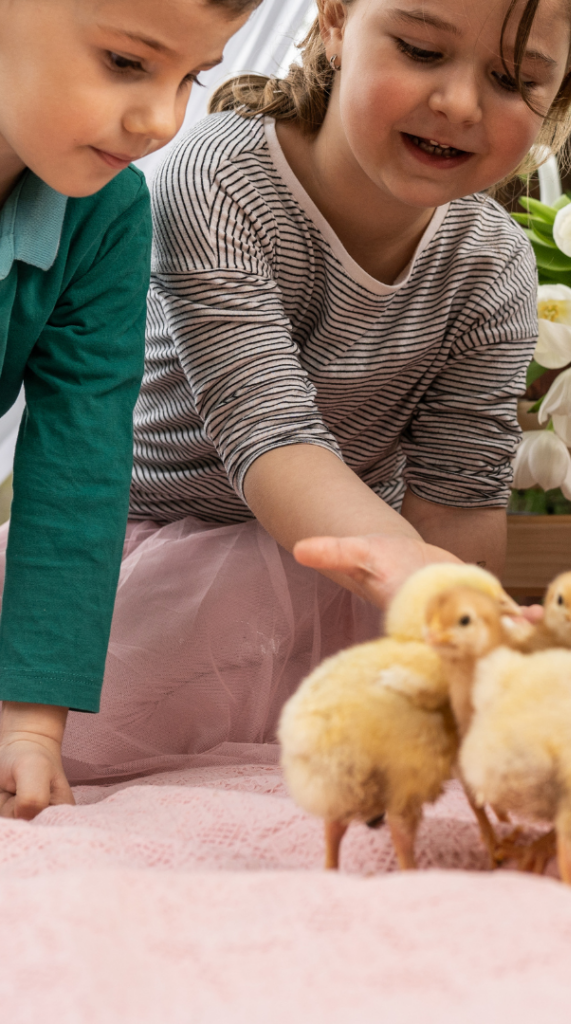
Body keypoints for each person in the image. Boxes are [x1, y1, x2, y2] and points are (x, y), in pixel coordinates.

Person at [49, 0, 571, 784]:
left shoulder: (495, 264)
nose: (458, 104)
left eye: (513, 80)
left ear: (563, 87)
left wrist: (470, 637)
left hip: (354, 584)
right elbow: (270, 434)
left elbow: (458, 502)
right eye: (419, 50)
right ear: (337, 20)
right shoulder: (219, 173)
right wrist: (426, 579)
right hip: (150, 574)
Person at [0, 0, 261, 819]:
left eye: (190, 78)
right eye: (125, 62)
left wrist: (30, 729)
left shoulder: (108, 215)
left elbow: (76, 471)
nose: (161, 120)